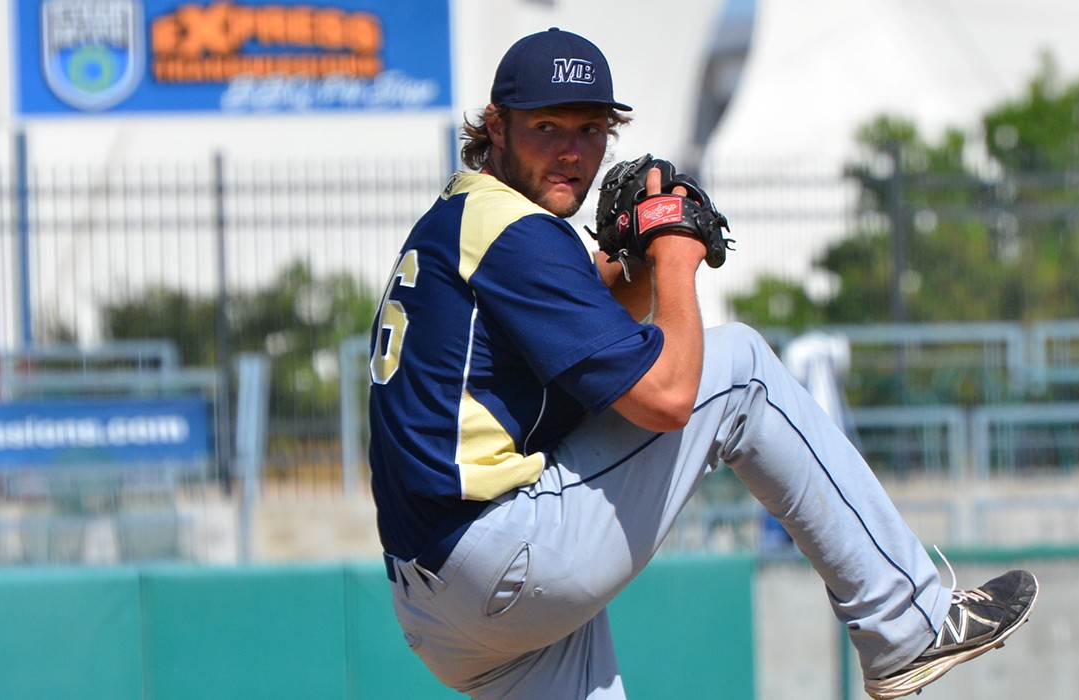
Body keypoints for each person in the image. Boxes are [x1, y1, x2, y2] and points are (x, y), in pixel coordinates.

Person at [366, 27, 1038, 700]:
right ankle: (906, 625)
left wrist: (635, 258)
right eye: (546, 126)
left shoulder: (466, 218)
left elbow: (606, 340)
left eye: (591, 128)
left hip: (441, 606)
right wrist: (676, 256)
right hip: (499, 555)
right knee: (741, 369)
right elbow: (666, 398)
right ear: (496, 127)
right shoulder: (519, 233)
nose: (573, 152)